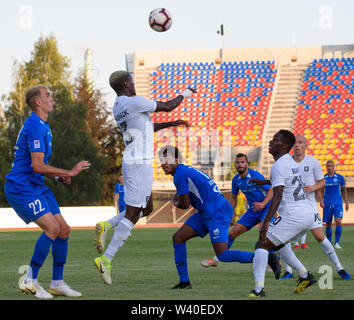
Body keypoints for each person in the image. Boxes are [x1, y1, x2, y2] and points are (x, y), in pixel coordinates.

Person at [93, 71, 195, 284]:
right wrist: (185, 93)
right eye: (133, 81)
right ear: (127, 83)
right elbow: (167, 105)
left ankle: (106, 225)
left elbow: (148, 127)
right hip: (139, 161)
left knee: (146, 209)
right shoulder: (135, 102)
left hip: (134, 159)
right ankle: (106, 259)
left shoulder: (118, 106)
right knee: (132, 213)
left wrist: (172, 123)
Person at [4, 85, 91, 299]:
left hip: (36, 185)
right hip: (21, 187)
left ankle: (57, 283)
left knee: (63, 230)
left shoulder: (43, 126)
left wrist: (57, 176)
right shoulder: (34, 125)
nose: (52, 98)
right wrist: (69, 171)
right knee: (52, 227)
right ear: (38, 102)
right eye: (48, 95)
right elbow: (37, 165)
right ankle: (30, 280)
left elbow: (40, 166)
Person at [158, 145, 281, 289]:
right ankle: (184, 282)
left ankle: (266, 257)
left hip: (217, 211)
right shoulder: (184, 170)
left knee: (222, 254)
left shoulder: (179, 174)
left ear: (177, 160)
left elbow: (184, 205)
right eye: (162, 160)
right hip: (208, 211)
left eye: (168, 159)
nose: (164, 163)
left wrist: (175, 202)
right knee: (178, 238)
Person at [249, 129, 317, 298]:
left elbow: (277, 195)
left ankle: (258, 290)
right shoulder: (290, 162)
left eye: (275, 139)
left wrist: (265, 222)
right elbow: (283, 179)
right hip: (307, 214)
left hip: (294, 215)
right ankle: (305, 276)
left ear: (285, 146)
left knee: (262, 244)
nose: (271, 142)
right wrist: (264, 181)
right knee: (281, 244)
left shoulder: (279, 165)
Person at [278, 135, 351, 280]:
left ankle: (339, 267)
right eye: (295, 143)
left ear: (305, 145)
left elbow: (322, 181)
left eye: (300, 143)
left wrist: (313, 187)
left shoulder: (313, 162)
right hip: (291, 208)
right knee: (282, 239)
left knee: (319, 236)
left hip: (310, 208)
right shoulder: (285, 163)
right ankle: (288, 270)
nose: (297, 145)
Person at [200, 153, 275, 269]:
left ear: (247, 164)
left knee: (264, 232)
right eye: (238, 162)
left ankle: (272, 263)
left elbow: (271, 190)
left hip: (266, 209)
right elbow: (233, 198)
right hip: (253, 211)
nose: (240, 165)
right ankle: (216, 259)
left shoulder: (255, 176)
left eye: (242, 162)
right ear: (235, 165)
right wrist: (229, 215)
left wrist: (263, 203)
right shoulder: (236, 180)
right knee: (233, 233)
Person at [322, 160, 349, 249]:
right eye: (328, 166)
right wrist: (321, 201)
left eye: (331, 166)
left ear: (334, 167)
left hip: (337, 203)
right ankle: (329, 243)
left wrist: (346, 202)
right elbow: (320, 190)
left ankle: (337, 242)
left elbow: (344, 190)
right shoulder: (323, 178)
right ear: (326, 167)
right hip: (327, 203)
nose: (329, 167)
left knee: (338, 221)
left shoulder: (340, 178)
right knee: (328, 223)